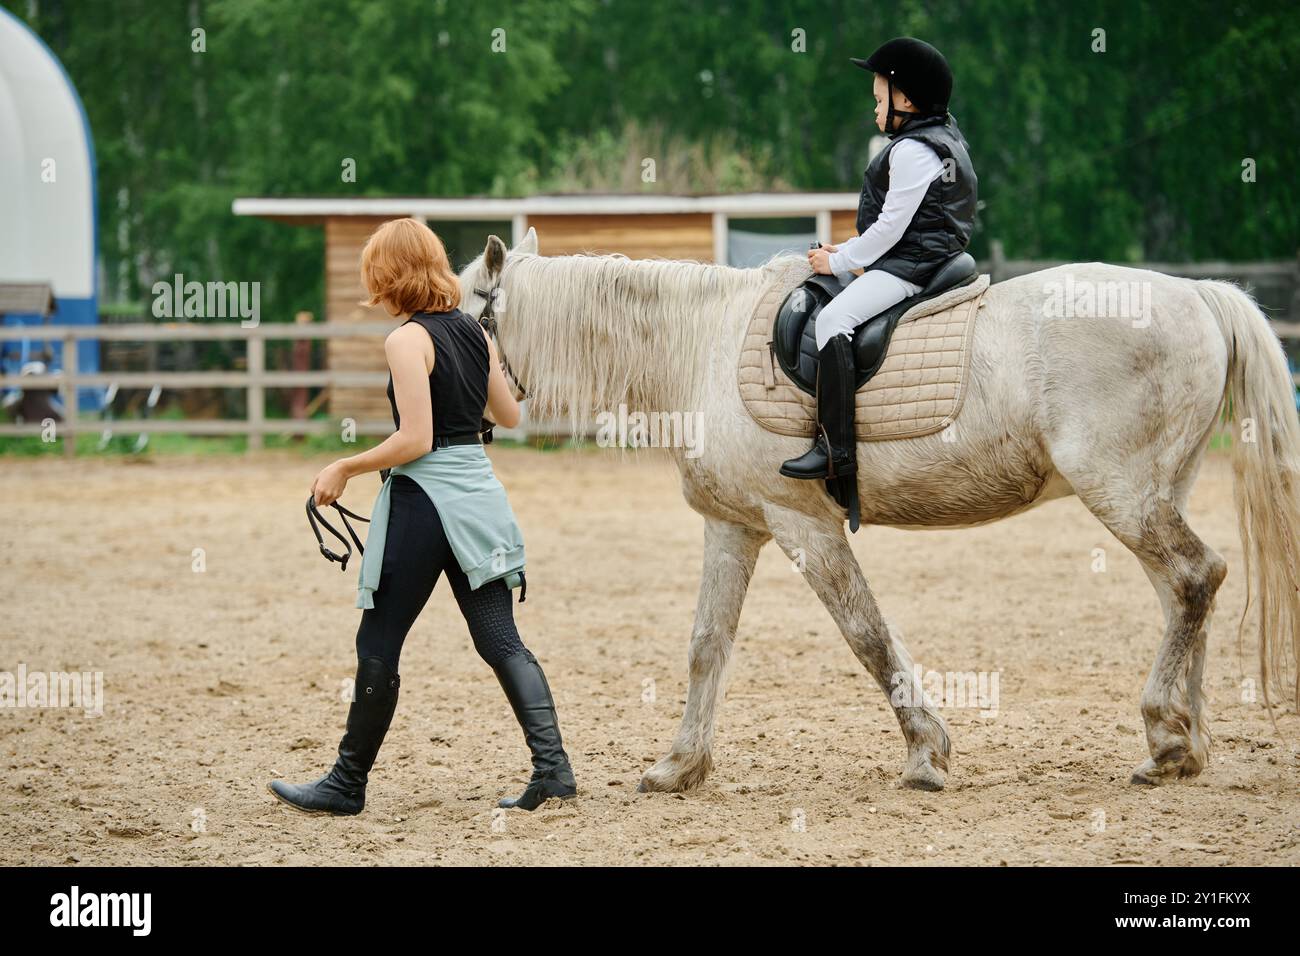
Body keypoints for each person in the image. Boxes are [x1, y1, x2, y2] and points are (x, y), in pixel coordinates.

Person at [268, 218, 577, 815]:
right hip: (480, 502)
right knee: (500, 639)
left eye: (375, 277)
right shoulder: (474, 333)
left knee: (379, 639)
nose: (373, 289)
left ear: (391, 276)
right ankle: (554, 771)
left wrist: (344, 468)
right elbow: (509, 417)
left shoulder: (406, 340)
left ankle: (346, 784)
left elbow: (415, 439)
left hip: (424, 505)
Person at [780, 36, 978, 481]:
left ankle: (834, 450)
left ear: (905, 97)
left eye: (879, 98)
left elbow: (890, 228)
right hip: (923, 258)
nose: (874, 109)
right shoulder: (944, 136)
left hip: (911, 268)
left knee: (832, 320)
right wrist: (848, 253)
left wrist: (837, 262)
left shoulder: (913, 149)